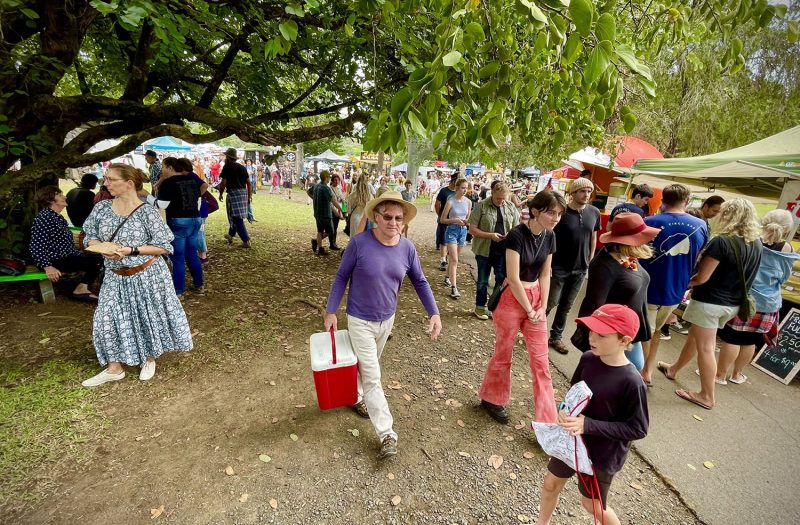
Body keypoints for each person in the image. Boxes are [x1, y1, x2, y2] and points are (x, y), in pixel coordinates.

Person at [324, 191, 441, 459]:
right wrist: (331, 311)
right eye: (387, 217)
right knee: (373, 375)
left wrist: (433, 313)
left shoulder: (407, 248)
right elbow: (342, 276)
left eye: (398, 218)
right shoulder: (359, 244)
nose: (393, 222)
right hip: (359, 319)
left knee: (368, 368)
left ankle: (354, 396)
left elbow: (420, 282)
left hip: (387, 319)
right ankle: (387, 434)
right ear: (376, 217)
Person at [534, 304, 649, 525]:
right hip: (572, 441)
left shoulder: (632, 382)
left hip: (602, 454)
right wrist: (563, 410)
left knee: (592, 505)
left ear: (624, 341)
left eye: (601, 335)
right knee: (550, 484)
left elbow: (638, 428)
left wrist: (589, 425)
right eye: (591, 331)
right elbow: (575, 391)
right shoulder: (588, 358)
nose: (592, 338)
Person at [81, 164, 192, 387]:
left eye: (111, 180)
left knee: (145, 316)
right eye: (106, 179)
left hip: (146, 274)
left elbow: (164, 246)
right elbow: (89, 237)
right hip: (114, 276)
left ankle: (148, 359)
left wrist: (132, 250)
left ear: (129, 184)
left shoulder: (147, 212)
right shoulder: (102, 208)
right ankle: (114, 368)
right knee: (105, 318)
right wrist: (102, 248)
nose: (106, 184)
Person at [659, 198, 763, 410]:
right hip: (732, 305)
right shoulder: (756, 243)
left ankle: (706, 395)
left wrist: (680, 286)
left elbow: (701, 277)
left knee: (706, 348)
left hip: (710, 302)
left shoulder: (722, 241)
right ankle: (673, 369)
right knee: (696, 339)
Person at [478, 191, 565, 425]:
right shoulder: (516, 235)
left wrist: (543, 305)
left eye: (559, 213)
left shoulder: (550, 237)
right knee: (503, 353)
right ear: (536, 211)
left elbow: (546, 274)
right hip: (512, 298)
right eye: (551, 212)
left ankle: (547, 422)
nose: (556, 218)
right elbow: (513, 277)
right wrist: (528, 309)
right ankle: (491, 398)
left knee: (541, 362)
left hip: (535, 297)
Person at [715, 210, 798, 385]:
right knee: (750, 340)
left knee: (732, 338)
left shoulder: (751, 239)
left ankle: (719, 376)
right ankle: (737, 375)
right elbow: (783, 277)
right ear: (787, 228)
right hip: (769, 302)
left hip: (744, 297)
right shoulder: (788, 248)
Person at [639, 184, 708, 384]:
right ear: (687, 201)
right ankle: (647, 370)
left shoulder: (649, 221)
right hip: (677, 288)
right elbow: (700, 256)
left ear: (662, 201)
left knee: (646, 332)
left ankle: (644, 371)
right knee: (657, 331)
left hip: (648, 286)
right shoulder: (701, 225)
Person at [572, 213, 660, 370]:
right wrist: (592, 341)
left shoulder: (626, 256)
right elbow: (593, 305)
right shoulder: (604, 267)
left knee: (632, 369)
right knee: (609, 374)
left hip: (629, 329)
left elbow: (635, 279)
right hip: (613, 333)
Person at [547, 177, 601, 354]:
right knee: (550, 302)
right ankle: (532, 329)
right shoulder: (561, 212)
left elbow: (593, 237)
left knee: (566, 306)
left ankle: (556, 337)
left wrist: (590, 259)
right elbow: (549, 237)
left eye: (589, 191)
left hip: (580, 268)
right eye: (582, 191)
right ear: (573, 193)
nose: (586, 195)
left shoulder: (594, 212)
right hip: (558, 267)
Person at [29, 186, 103, 301]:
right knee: (100, 260)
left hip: (65, 257)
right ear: (50, 200)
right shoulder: (44, 218)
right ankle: (81, 290)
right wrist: (47, 266)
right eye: (59, 195)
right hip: (55, 261)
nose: (65, 196)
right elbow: (37, 245)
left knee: (99, 258)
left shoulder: (55, 217)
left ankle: (83, 288)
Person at [468, 180, 520, 320]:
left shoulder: (510, 207)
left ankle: (494, 306)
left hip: (503, 251)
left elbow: (517, 227)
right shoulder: (481, 206)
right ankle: (480, 307)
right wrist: (490, 235)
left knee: (501, 279)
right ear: (492, 194)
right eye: (498, 198)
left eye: (503, 198)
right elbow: (472, 229)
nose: (500, 201)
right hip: (484, 250)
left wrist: (510, 234)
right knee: (483, 281)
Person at [158, 157, 206, 295]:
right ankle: (199, 284)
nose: (162, 170)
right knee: (191, 253)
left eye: (163, 166)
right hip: (195, 219)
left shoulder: (168, 183)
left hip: (178, 221)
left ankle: (178, 290)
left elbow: (162, 205)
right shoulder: (191, 180)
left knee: (177, 256)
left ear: (170, 168)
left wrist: (146, 197)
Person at [440, 178, 472, 299]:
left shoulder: (468, 202)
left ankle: (447, 277)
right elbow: (443, 219)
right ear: (457, 188)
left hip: (463, 232)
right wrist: (454, 220)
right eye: (463, 187)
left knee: (455, 259)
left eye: (466, 188)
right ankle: (454, 288)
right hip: (451, 231)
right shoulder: (451, 201)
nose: (464, 190)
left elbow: (468, 218)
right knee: (454, 260)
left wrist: (467, 222)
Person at [218, 148, 251, 248]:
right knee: (235, 216)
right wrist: (249, 196)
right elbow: (249, 183)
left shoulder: (227, 167)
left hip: (233, 193)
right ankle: (231, 235)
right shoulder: (242, 167)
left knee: (237, 218)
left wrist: (220, 193)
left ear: (228, 157)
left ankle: (246, 240)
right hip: (243, 193)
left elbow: (224, 182)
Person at [311, 171, 342, 255]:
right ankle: (316, 241)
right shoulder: (326, 188)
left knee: (320, 230)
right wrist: (341, 209)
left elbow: (308, 191)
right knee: (330, 231)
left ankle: (320, 248)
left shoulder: (316, 186)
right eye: (328, 177)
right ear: (326, 178)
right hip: (325, 213)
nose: (329, 179)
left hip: (317, 212)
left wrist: (315, 199)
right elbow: (333, 201)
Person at [434, 173, 459, 271]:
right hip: (444, 220)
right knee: (443, 240)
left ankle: (450, 257)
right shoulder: (444, 191)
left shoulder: (458, 192)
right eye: (456, 181)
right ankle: (443, 260)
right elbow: (437, 204)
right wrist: (440, 215)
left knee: (452, 240)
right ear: (453, 181)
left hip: (455, 221)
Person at [346, 172, 374, 238]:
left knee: (354, 238)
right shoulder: (370, 196)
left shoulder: (352, 195)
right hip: (366, 219)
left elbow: (349, 210)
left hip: (355, 218)